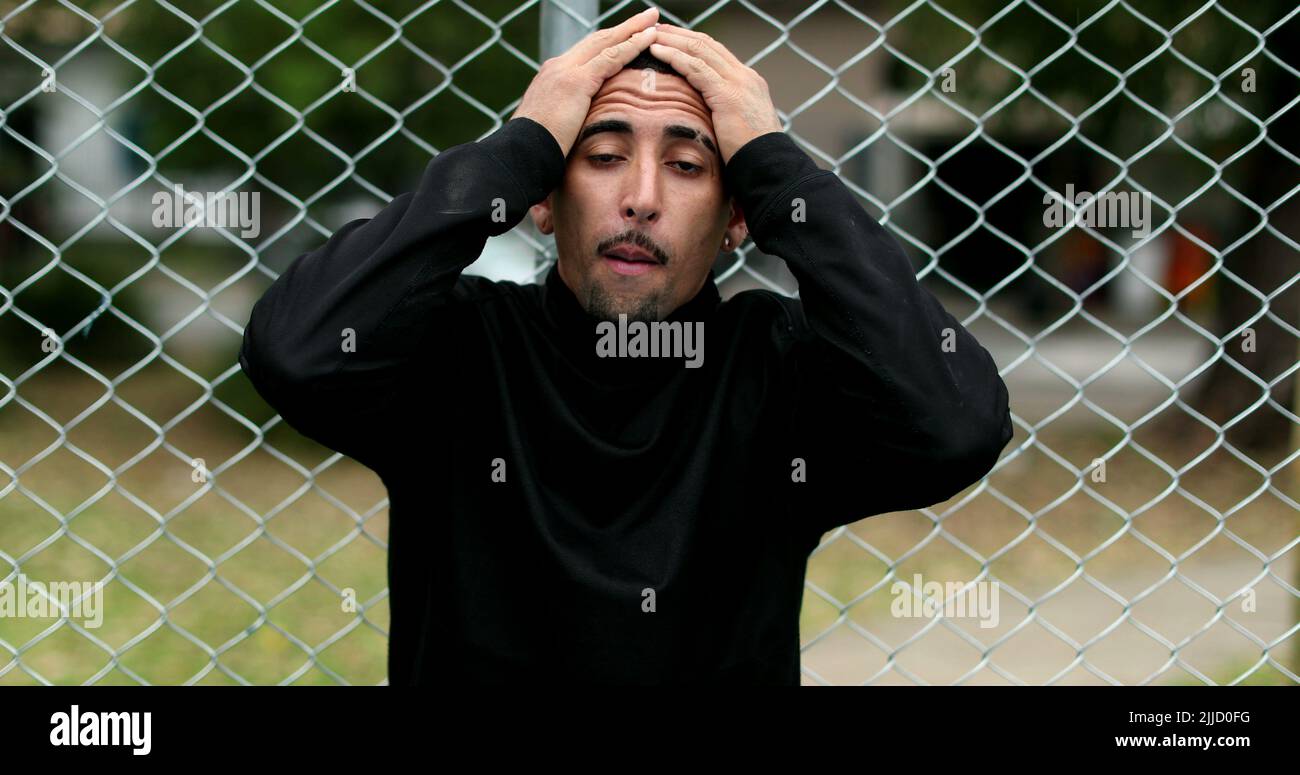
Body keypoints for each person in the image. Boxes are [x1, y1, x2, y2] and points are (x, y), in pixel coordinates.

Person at [238, 6, 1013, 685]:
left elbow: (957, 424)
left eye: (687, 166)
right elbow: (294, 352)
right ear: (544, 197)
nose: (641, 198)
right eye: (603, 156)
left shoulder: (777, 373)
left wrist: (777, 168)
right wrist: (517, 148)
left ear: (737, 216)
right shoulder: (458, 351)